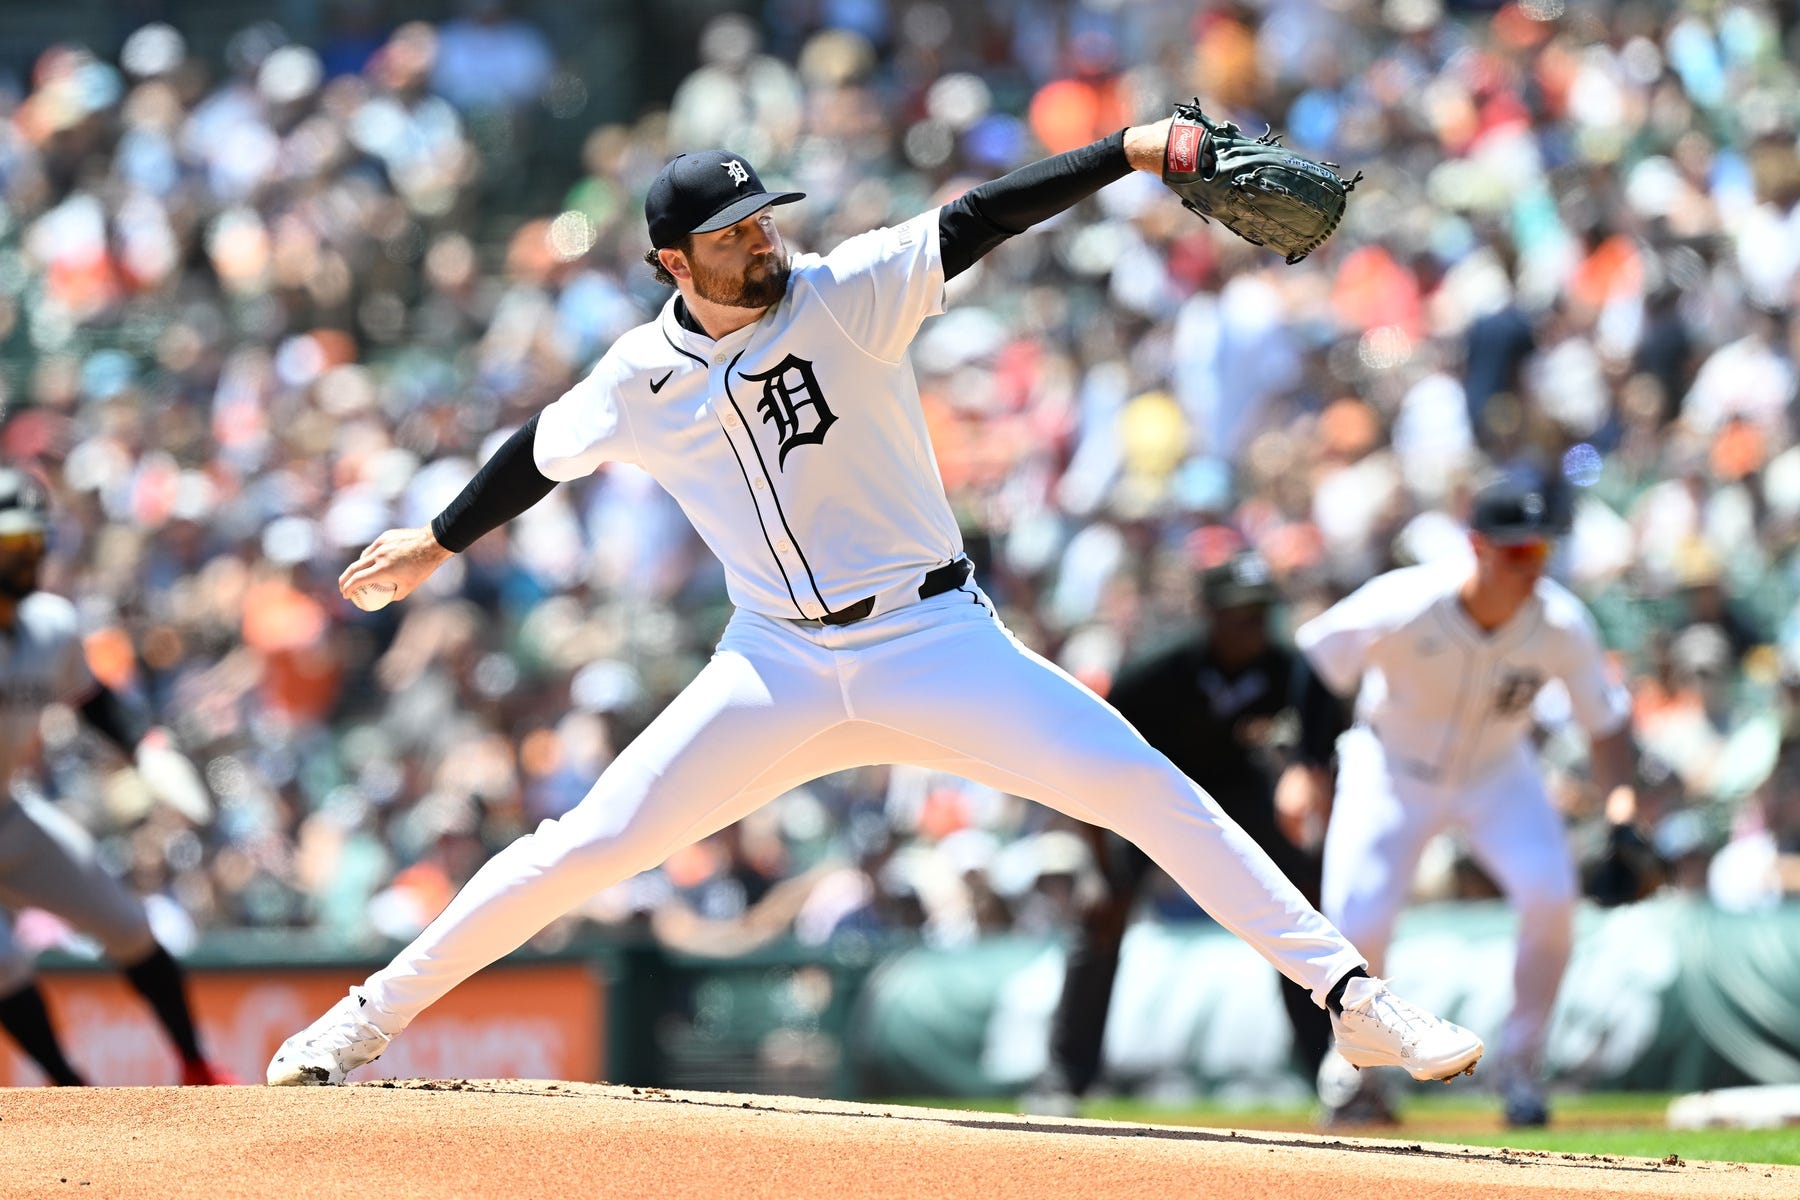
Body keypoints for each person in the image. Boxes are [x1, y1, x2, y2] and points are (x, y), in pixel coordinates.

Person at [267, 121, 1484, 1089]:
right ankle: (364, 1023)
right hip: (774, 668)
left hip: (934, 638)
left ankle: (1355, 1005)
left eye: (762, 217)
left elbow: (976, 218)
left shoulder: (846, 290)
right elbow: (539, 450)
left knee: (1148, 790)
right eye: (735, 232)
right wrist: (436, 539)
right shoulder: (637, 375)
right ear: (673, 265)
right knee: (580, 847)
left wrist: (1124, 151)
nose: (763, 239)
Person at [1280, 475, 1636, 1127]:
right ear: (1477, 547)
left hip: (1500, 773)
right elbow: (1315, 656)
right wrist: (1308, 767)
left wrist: (1621, 814)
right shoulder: (1410, 599)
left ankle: (1522, 1070)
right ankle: (1363, 1073)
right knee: (1358, 917)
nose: (1532, 567)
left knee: (1551, 895)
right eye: (1517, 553)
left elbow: (1607, 723)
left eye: (1542, 553)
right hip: (1391, 766)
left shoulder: (1560, 623)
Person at [1029, 550, 1329, 1112]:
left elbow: (1323, 746)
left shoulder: (1285, 667)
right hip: (1149, 794)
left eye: (1260, 613)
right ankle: (1065, 1078)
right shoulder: (1158, 672)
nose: (1252, 626)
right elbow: (1089, 760)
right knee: (1101, 920)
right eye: (1240, 614)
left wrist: (1301, 783)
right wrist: (1098, 866)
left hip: (1237, 794)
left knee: (1298, 913)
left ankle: (1328, 1071)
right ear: (1209, 614)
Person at [0, 466, 233, 1086]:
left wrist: (145, 745)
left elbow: (91, 701)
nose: (25, 561)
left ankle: (196, 1064)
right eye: (10, 548)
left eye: (33, 545)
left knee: (129, 926)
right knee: (3, 967)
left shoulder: (49, 623)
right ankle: (70, 1092)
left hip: (9, 814)